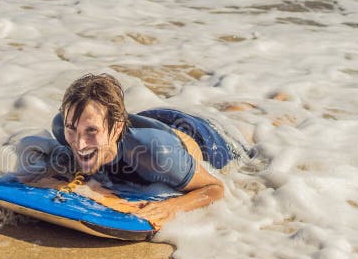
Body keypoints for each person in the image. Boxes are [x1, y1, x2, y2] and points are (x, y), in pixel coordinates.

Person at [17, 74, 235, 227]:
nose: (80, 143)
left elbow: (215, 188)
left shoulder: (156, 156)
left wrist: (172, 207)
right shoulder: (62, 125)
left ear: (118, 127)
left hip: (207, 137)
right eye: (72, 129)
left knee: (241, 117)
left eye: (91, 131)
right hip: (153, 117)